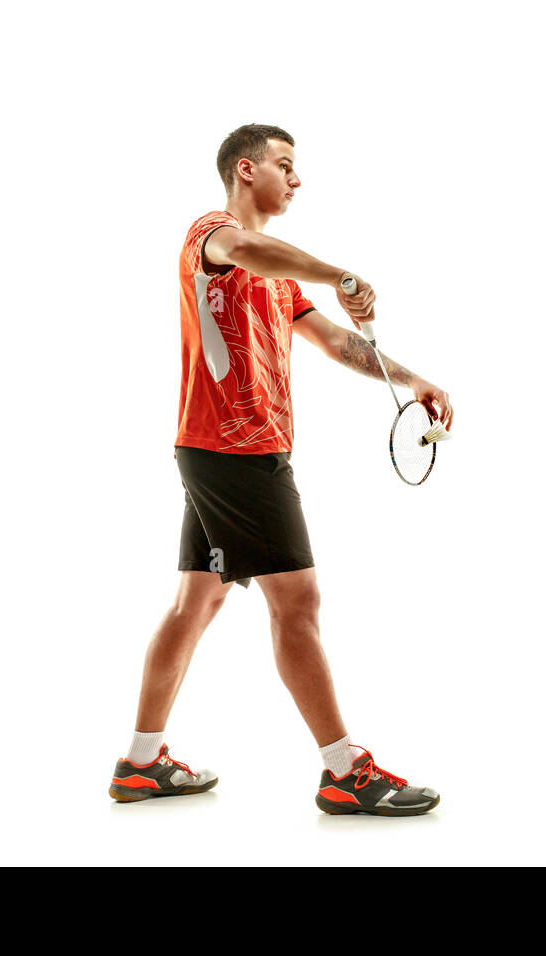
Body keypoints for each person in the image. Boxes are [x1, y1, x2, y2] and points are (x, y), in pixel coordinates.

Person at [107, 124, 454, 815]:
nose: (296, 179)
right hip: (236, 456)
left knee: (196, 602)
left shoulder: (279, 279)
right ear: (246, 169)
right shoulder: (213, 235)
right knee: (297, 602)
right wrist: (342, 273)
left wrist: (411, 378)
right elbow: (249, 250)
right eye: (285, 166)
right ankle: (343, 769)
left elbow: (331, 340)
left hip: (217, 452)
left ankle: (141, 763)